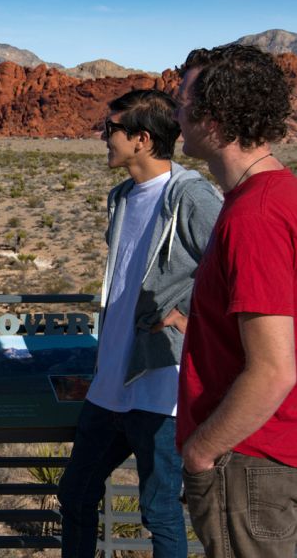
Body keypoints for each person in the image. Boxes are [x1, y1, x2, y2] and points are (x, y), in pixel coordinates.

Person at [58, 89, 222, 557]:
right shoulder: (121, 197)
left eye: (110, 129)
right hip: (110, 382)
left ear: (142, 139)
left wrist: (188, 314)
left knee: (159, 510)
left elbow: (233, 266)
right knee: (76, 493)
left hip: (159, 384)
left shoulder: (189, 195)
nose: (102, 137)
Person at [175, 44, 297, 557]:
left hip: (247, 463)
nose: (175, 115)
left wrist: (202, 452)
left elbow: (273, 369)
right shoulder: (277, 195)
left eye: (182, 103)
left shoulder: (255, 217)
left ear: (215, 117)